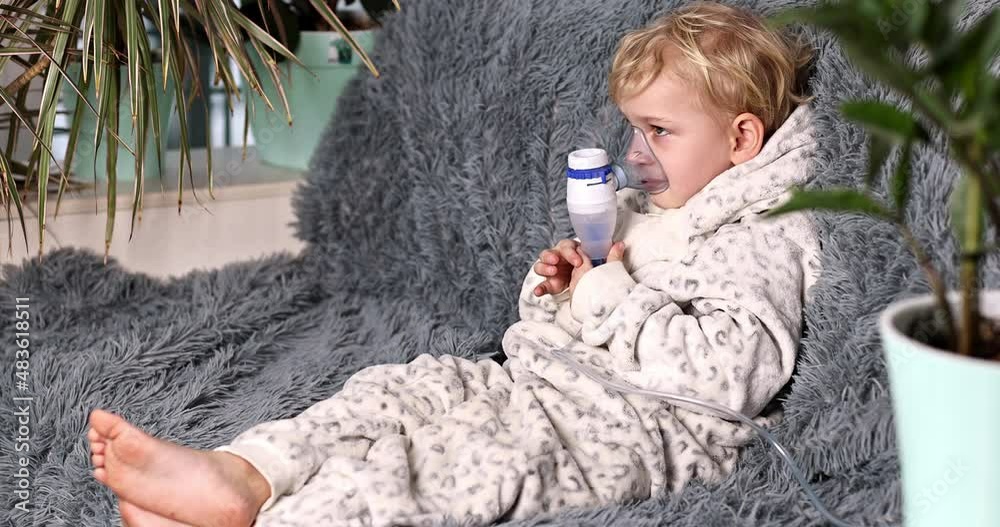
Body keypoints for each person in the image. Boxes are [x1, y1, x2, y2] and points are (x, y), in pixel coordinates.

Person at [87, 3, 820, 526]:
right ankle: (244, 474)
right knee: (394, 393)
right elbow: (582, 312)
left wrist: (608, 296)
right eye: (634, 128)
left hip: (624, 434)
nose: (635, 152)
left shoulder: (759, 236)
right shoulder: (646, 205)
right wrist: (558, 287)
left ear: (741, 138)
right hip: (536, 382)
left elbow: (725, 375)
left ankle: (285, 518)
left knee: (448, 466)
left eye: (659, 131)